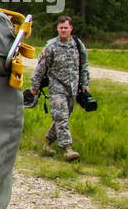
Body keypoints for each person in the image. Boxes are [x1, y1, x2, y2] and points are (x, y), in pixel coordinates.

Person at [27, 14, 90, 161]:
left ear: (70, 28)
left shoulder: (78, 45)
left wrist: (85, 84)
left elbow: (84, 65)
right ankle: (67, 149)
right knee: (61, 117)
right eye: (61, 28)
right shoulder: (51, 47)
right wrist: (34, 87)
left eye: (66, 28)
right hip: (56, 87)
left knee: (62, 117)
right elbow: (40, 69)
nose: (63, 30)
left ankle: (48, 143)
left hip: (73, 88)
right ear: (57, 28)